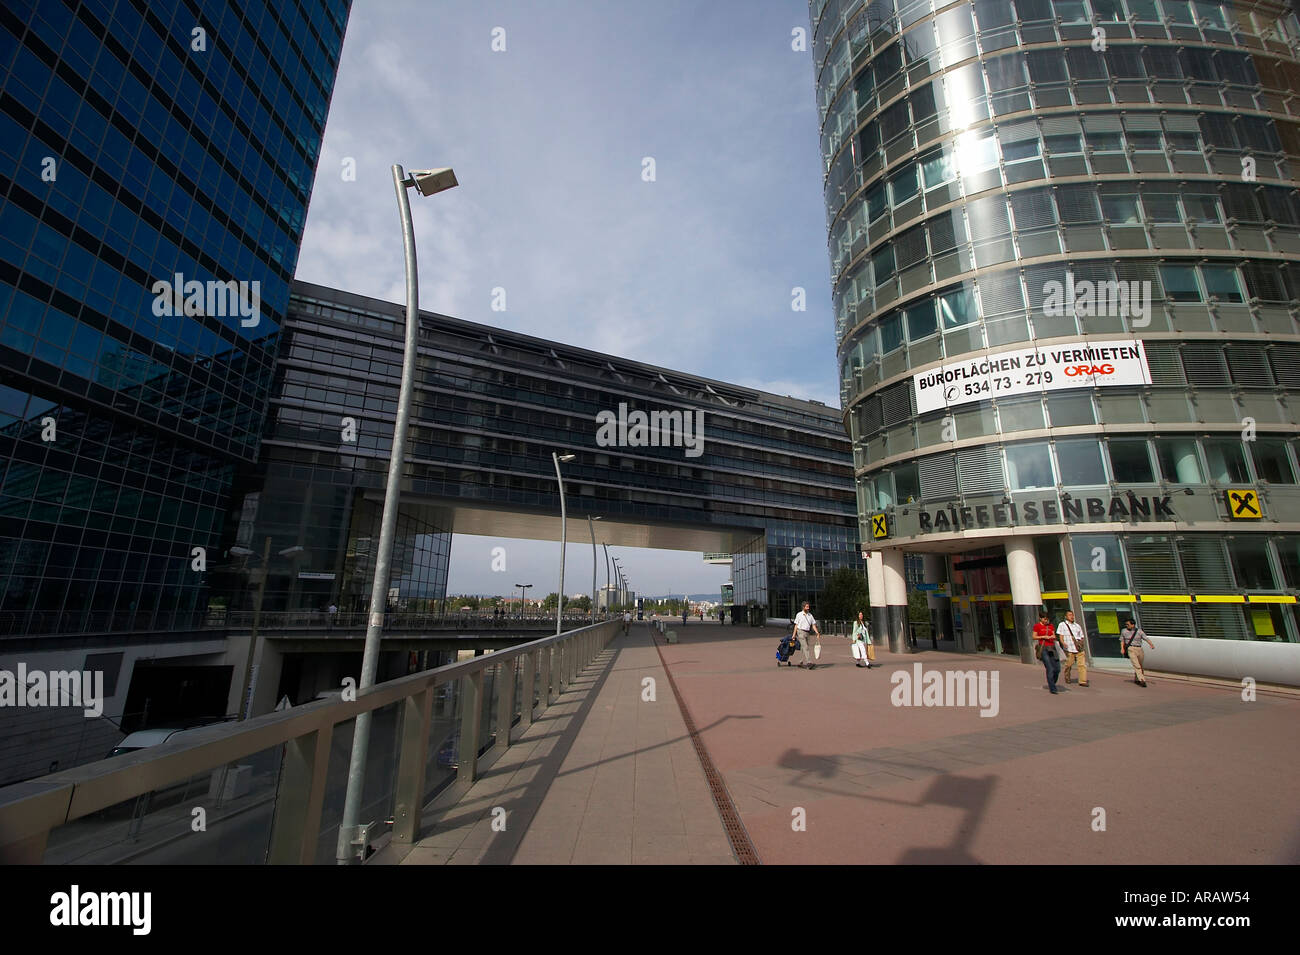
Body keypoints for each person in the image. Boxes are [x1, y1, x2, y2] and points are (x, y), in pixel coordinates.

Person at [1057, 610, 1089, 687]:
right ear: (1066, 616)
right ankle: (1067, 676)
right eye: (1069, 615)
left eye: (1072, 615)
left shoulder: (1077, 625)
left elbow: (1081, 636)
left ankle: (1082, 681)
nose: (1072, 616)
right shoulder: (1062, 625)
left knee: (1082, 665)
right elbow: (1060, 635)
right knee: (1069, 664)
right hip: (1069, 648)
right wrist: (1063, 643)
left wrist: (1080, 643)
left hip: (1078, 648)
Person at [1120, 618, 1154, 687]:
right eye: (1126, 624)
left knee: (1140, 665)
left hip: (1139, 649)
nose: (1126, 625)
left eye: (1128, 624)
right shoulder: (1124, 631)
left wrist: (1151, 644)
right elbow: (1122, 640)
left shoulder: (1139, 631)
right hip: (1131, 648)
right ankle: (1142, 680)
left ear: (1133, 625)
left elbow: (1146, 638)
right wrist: (1122, 649)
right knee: (1136, 665)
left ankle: (1137, 679)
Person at [1033, 612, 1061, 693]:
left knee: (1057, 669)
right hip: (1043, 648)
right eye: (1044, 619)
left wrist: (1052, 636)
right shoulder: (1037, 626)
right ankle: (1052, 688)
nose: (1046, 620)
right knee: (1050, 668)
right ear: (1040, 619)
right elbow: (1034, 636)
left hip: (1052, 647)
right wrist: (1043, 637)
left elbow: (1054, 635)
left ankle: (1052, 682)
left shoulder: (1051, 626)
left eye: (1047, 619)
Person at [793, 601, 821, 669]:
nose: (808, 608)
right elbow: (796, 625)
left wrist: (817, 632)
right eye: (807, 607)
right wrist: (794, 635)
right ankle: (809, 662)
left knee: (803, 647)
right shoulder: (799, 615)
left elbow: (813, 625)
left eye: (808, 606)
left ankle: (800, 662)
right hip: (800, 632)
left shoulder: (810, 615)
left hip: (807, 632)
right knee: (806, 647)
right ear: (803, 607)